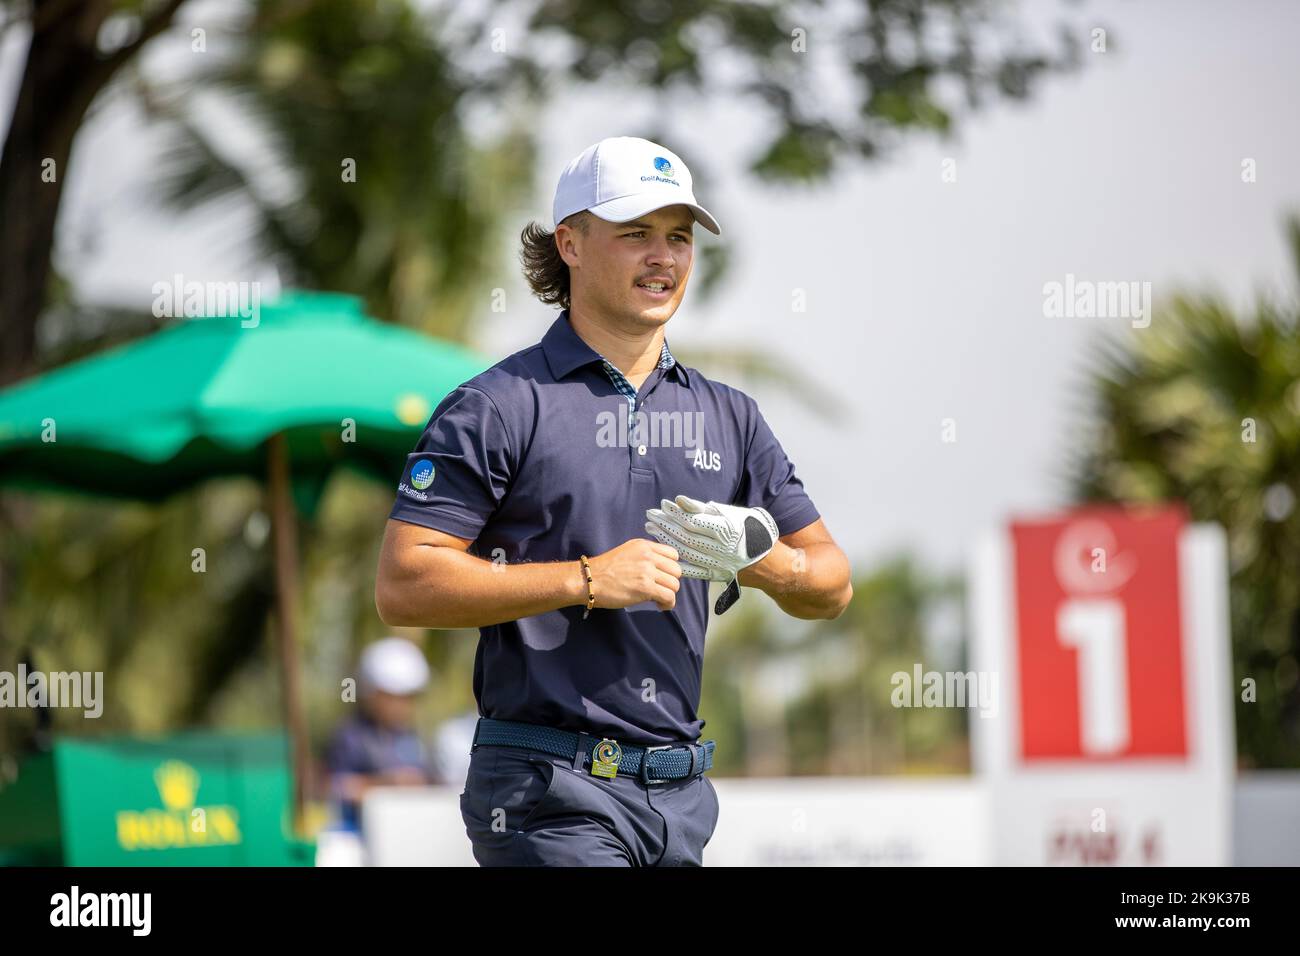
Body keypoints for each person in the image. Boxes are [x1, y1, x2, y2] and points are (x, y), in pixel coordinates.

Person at [375, 135, 852, 866]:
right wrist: (588, 579)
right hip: (547, 791)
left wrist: (761, 563)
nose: (663, 257)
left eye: (679, 238)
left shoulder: (732, 416)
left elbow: (830, 583)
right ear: (569, 243)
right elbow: (404, 583)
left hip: (681, 799)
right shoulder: (498, 405)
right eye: (636, 235)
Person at [324, 636, 440, 833]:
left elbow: (430, 780)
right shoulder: (351, 736)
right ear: (372, 693)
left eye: (408, 698)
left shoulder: (412, 737)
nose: (402, 706)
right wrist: (386, 785)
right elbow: (335, 788)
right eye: (394, 697)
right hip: (361, 835)